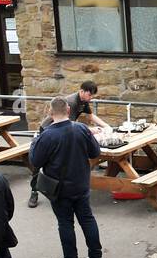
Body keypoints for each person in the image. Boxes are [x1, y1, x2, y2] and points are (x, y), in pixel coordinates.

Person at [29, 95, 103, 258]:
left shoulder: (47, 136)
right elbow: (95, 152)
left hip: (59, 187)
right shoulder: (81, 129)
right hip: (81, 184)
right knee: (87, 219)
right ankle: (95, 256)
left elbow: (35, 161)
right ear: (68, 110)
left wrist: (34, 142)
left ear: (50, 112)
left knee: (65, 223)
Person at [28, 79, 108, 208]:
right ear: (82, 91)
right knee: (40, 162)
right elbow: (67, 125)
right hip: (49, 129)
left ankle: (61, 189)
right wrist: (91, 130)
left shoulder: (84, 101)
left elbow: (90, 116)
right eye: (89, 94)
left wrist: (106, 126)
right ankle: (34, 192)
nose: (91, 98)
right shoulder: (71, 102)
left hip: (63, 128)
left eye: (92, 95)